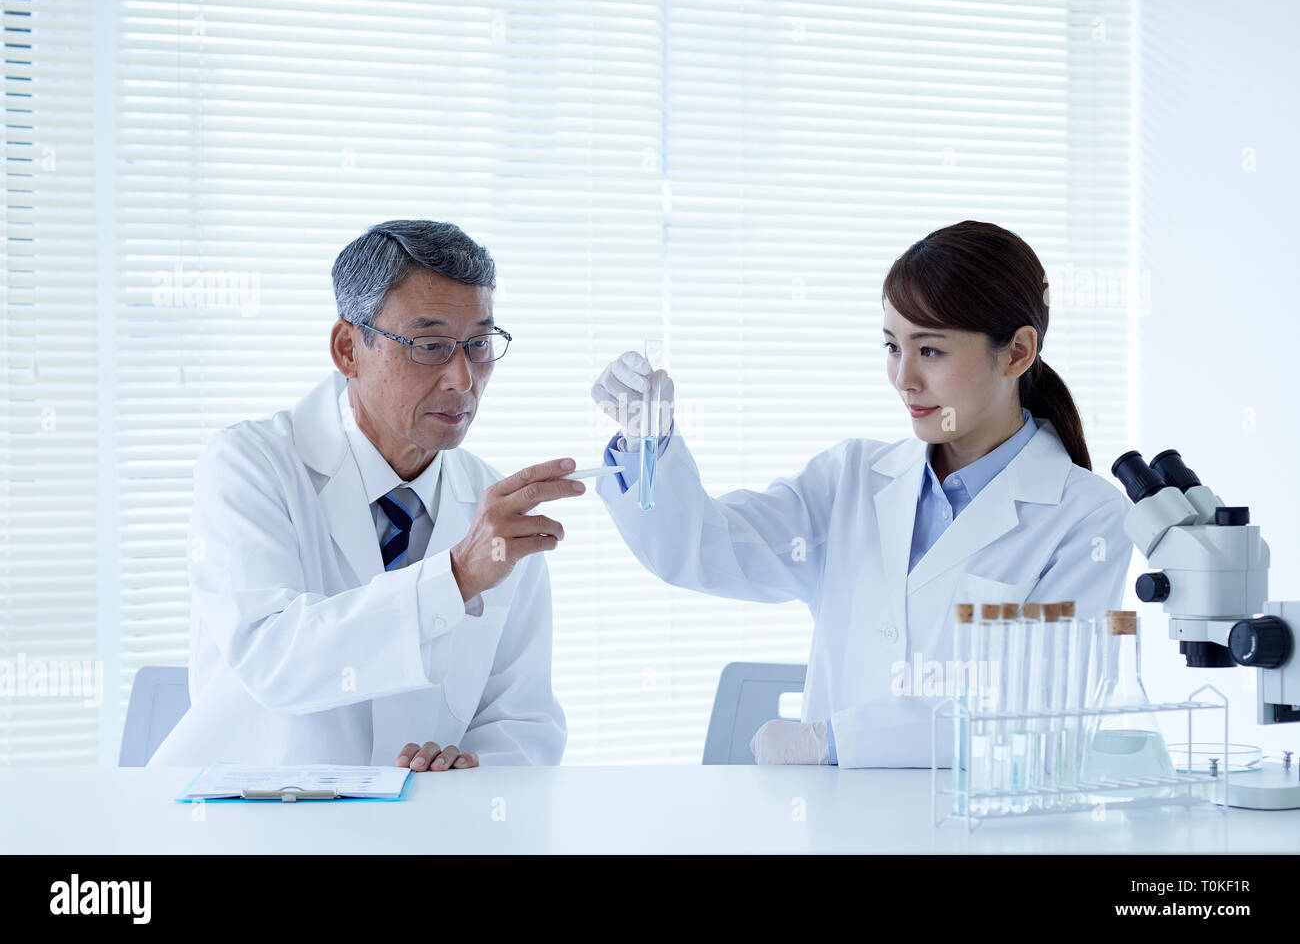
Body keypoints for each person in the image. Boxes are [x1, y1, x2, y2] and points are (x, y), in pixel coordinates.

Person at [589, 220, 1133, 767]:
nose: (904, 378)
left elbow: (1037, 714)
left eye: (931, 351)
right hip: (835, 825)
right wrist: (647, 441)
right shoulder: (851, 478)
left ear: (1017, 352)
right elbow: (703, 549)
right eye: (893, 346)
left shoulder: (1086, 517)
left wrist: (833, 742)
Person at [149, 220, 580, 770]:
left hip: (418, 834)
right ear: (348, 348)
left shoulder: (493, 508)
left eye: (478, 346)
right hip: (256, 828)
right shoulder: (248, 465)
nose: (462, 379)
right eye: (430, 346)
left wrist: (472, 775)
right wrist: (454, 579)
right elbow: (275, 660)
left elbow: (523, 719)